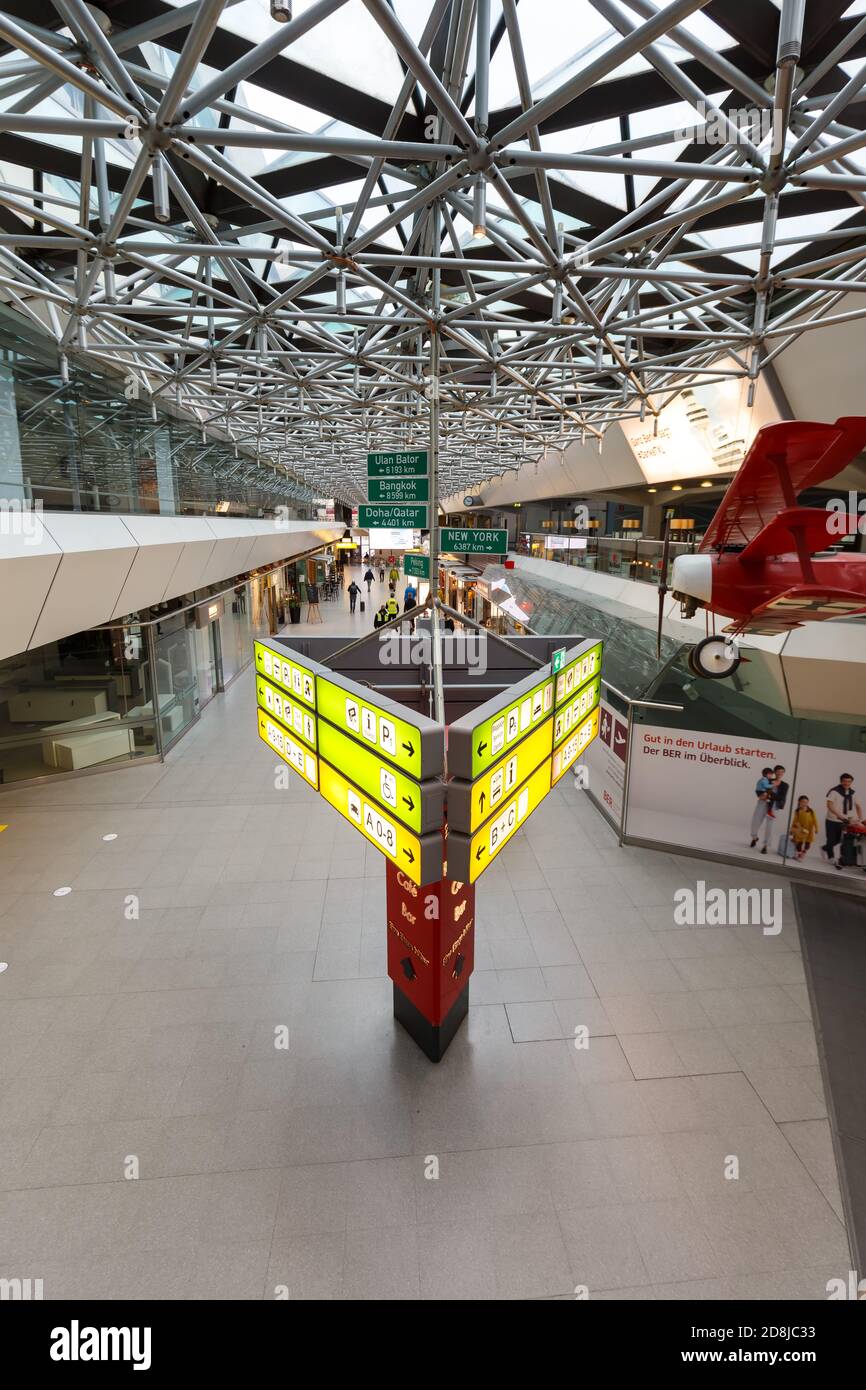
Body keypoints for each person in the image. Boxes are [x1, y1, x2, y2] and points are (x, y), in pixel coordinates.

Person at [823, 773, 863, 869]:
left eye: (849, 781)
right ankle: (831, 857)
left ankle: (825, 848)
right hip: (832, 819)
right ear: (841, 781)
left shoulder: (853, 793)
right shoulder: (834, 791)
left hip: (846, 821)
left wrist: (860, 818)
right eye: (844, 781)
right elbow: (829, 805)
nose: (847, 783)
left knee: (839, 840)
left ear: (851, 782)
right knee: (831, 839)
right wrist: (839, 816)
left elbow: (858, 806)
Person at [791, 796, 818, 861]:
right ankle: (799, 854)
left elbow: (815, 820)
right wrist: (792, 828)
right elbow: (795, 820)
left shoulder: (811, 811)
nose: (804, 803)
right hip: (800, 829)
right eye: (803, 802)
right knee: (799, 842)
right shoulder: (797, 811)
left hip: (809, 830)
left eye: (806, 802)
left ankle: (804, 852)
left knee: (808, 843)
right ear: (799, 802)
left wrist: (817, 828)